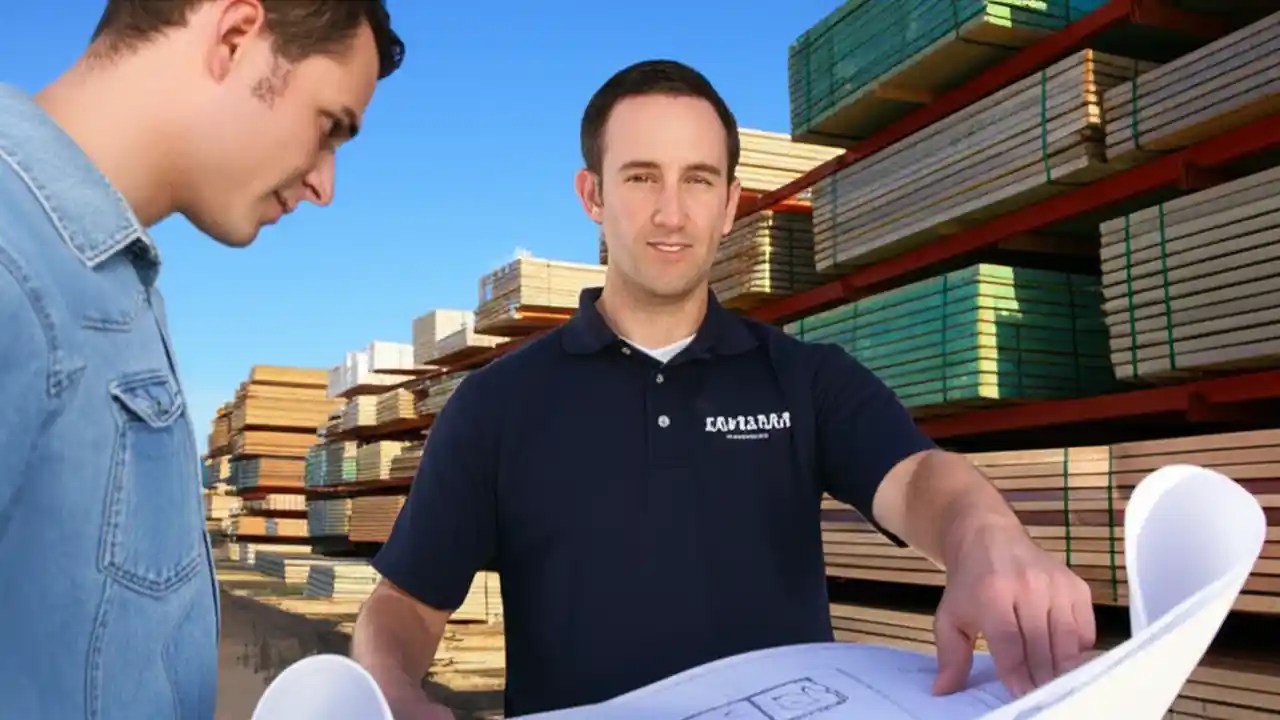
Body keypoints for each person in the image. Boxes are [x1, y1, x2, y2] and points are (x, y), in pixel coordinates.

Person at [351, 59, 1096, 719]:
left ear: (732, 201)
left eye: (698, 180)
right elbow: (406, 605)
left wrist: (986, 539)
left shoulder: (806, 379)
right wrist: (385, 684)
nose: (671, 212)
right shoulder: (496, 406)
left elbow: (920, 478)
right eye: (642, 177)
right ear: (592, 195)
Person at [0, 1, 403, 717]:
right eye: (328, 126)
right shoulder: (14, 262)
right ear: (237, 35)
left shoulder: (110, 285)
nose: (324, 184)